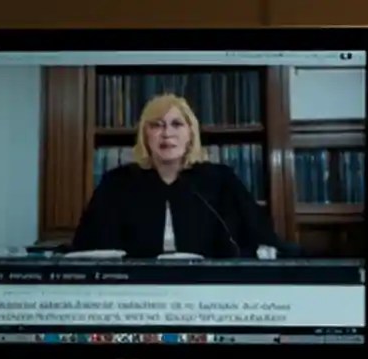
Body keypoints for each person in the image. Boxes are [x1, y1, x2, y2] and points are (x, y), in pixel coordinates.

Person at [70, 93, 298, 259]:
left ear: (190, 134)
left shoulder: (220, 180)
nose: (167, 133)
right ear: (145, 135)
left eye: (177, 124)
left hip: (207, 289)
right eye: (156, 125)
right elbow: (88, 247)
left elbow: (260, 240)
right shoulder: (117, 183)